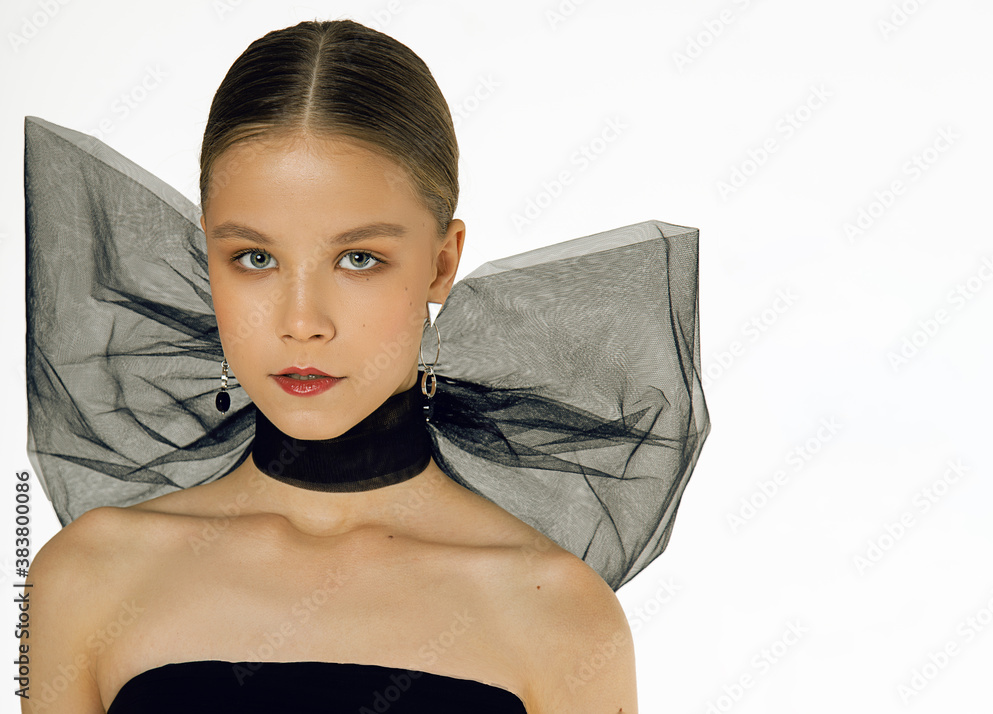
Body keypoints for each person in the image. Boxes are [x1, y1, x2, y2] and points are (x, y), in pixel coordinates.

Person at [23, 19, 651, 714]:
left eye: (358, 259)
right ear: (207, 259)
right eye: (255, 258)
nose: (301, 322)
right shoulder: (85, 579)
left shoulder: (560, 615)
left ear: (442, 263)